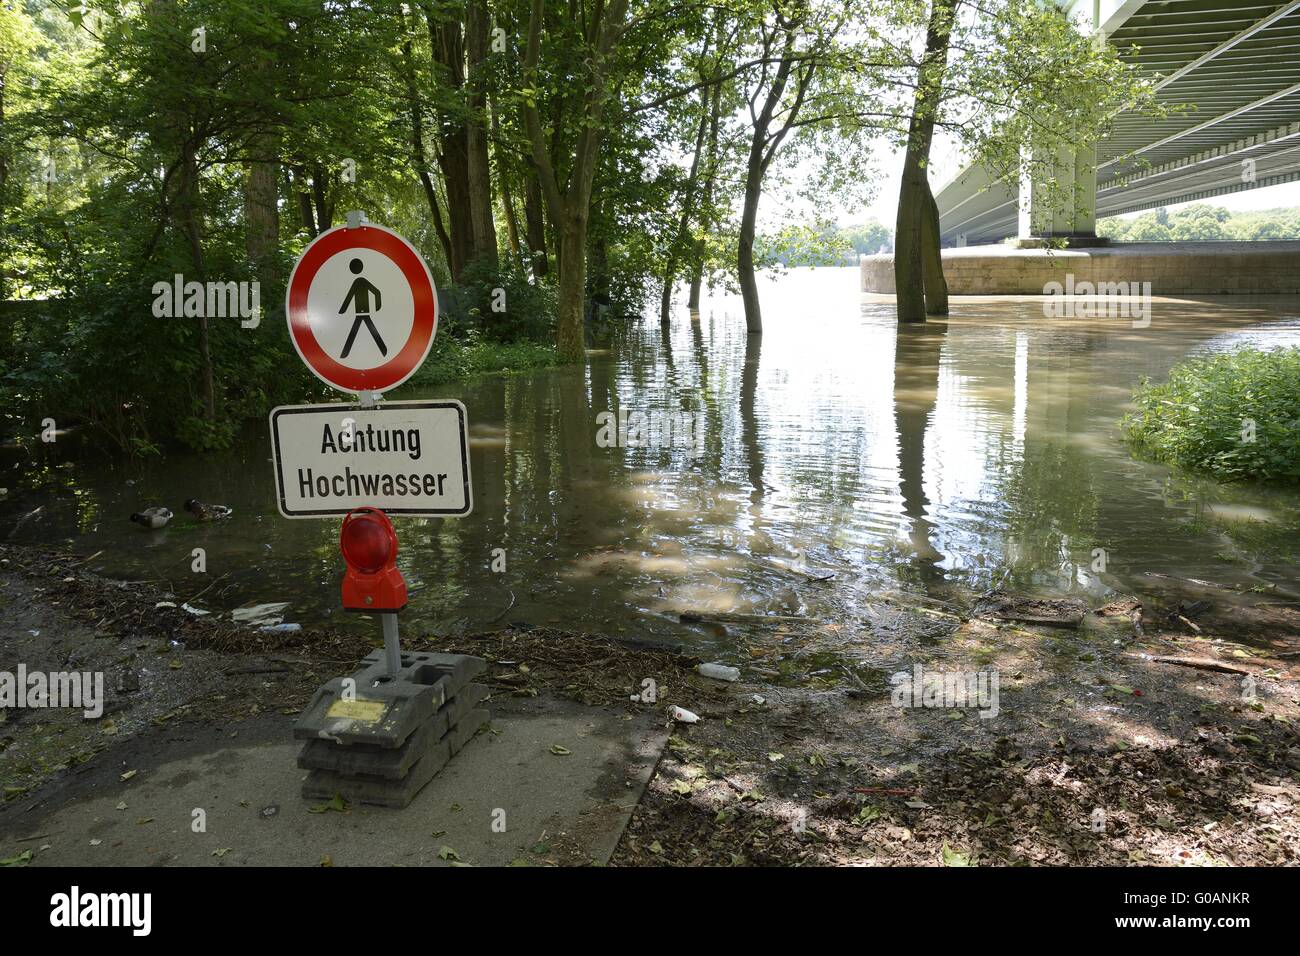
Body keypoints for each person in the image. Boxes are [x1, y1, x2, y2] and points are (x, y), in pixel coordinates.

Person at [338, 258, 386, 358]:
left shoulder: (359, 281)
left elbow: (350, 296)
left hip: (361, 312)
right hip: (362, 312)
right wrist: (377, 306)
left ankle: (344, 354)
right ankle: (384, 350)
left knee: (356, 331)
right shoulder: (361, 281)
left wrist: (343, 309)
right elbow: (377, 292)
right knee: (367, 331)